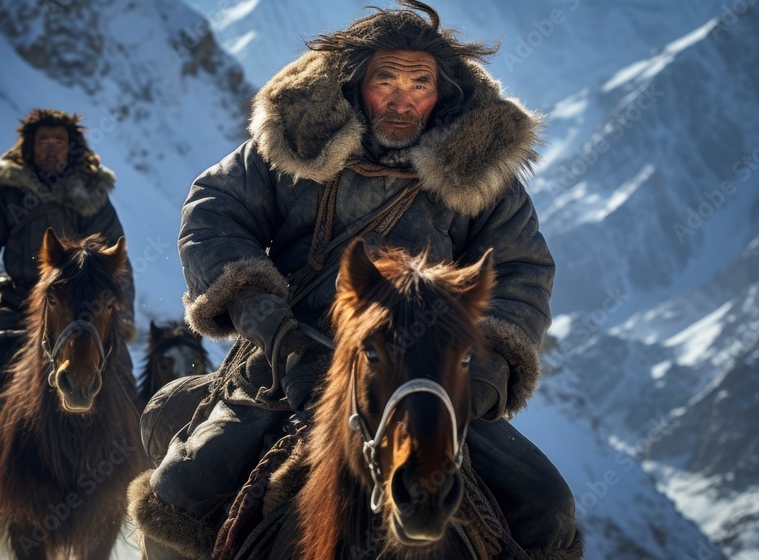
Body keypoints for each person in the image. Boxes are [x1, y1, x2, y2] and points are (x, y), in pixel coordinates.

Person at [140, 1, 581, 557]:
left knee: (547, 508)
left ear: (441, 91)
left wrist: (487, 369)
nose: (402, 99)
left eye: (419, 82)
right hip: (291, 356)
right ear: (355, 85)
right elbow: (214, 212)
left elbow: (521, 269)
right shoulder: (294, 147)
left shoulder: (481, 173)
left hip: (432, 372)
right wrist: (267, 323)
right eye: (385, 81)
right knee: (180, 496)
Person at [0, 108, 137, 518]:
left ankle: (127, 478)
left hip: (81, 306)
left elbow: (115, 263)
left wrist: (116, 316)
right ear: (29, 147)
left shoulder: (92, 195)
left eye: (60, 140)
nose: (52, 147)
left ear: (72, 148)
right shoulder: (5, 193)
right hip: (14, 301)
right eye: (44, 140)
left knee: (125, 379)